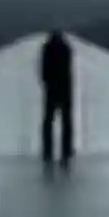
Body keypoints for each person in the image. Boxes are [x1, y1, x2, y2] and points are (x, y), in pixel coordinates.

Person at [39, 31, 74, 164]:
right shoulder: (66, 48)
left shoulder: (47, 48)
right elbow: (69, 68)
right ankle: (66, 150)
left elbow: (43, 69)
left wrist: (46, 82)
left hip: (51, 88)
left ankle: (47, 150)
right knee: (67, 121)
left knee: (48, 121)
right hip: (65, 88)